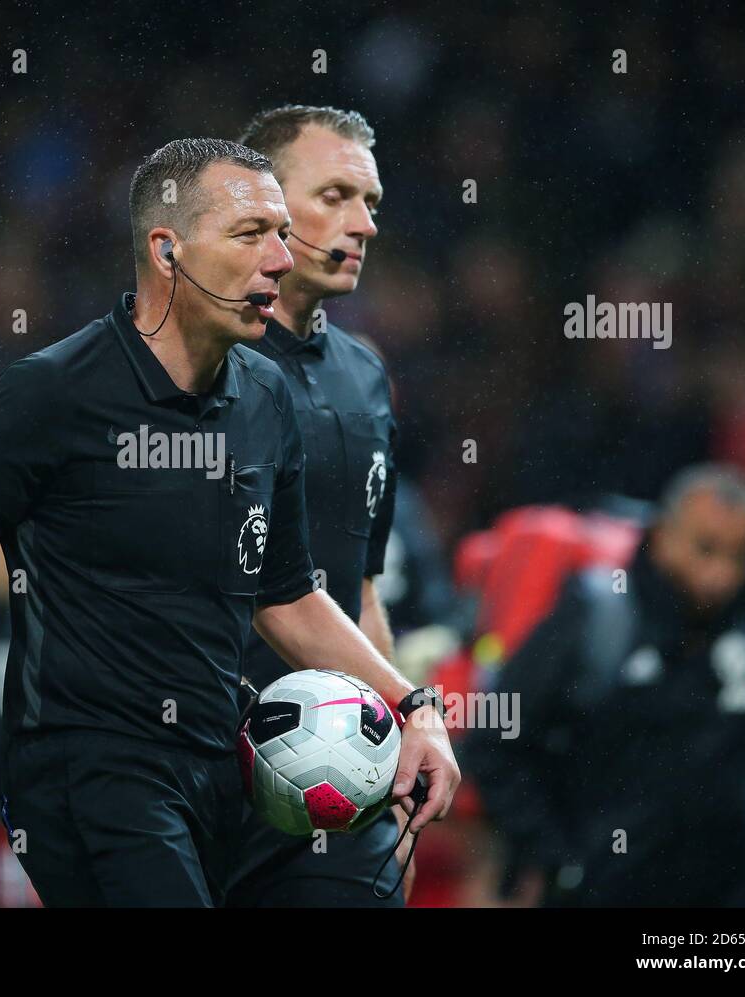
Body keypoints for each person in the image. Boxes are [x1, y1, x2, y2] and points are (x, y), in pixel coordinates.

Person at [0, 138, 459, 907]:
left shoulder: (266, 398)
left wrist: (415, 705)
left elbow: (286, 596)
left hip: (223, 766)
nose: (281, 257)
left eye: (281, 232)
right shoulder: (52, 394)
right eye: (252, 235)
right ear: (167, 249)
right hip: (94, 775)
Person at [464, 464, 745, 906]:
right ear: (663, 534)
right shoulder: (597, 616)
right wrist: (555, 858)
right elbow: (495, 737)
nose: (721, 573)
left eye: (740, 555)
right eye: (705, 548)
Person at [225, 104, 411, 907]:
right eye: (334, 195)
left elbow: (359, 584)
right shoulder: (195, 363)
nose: (361, 223)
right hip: (195, 768)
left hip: (333, 774)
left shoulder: (365, 377)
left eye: (369, 202)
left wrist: (396, 729)